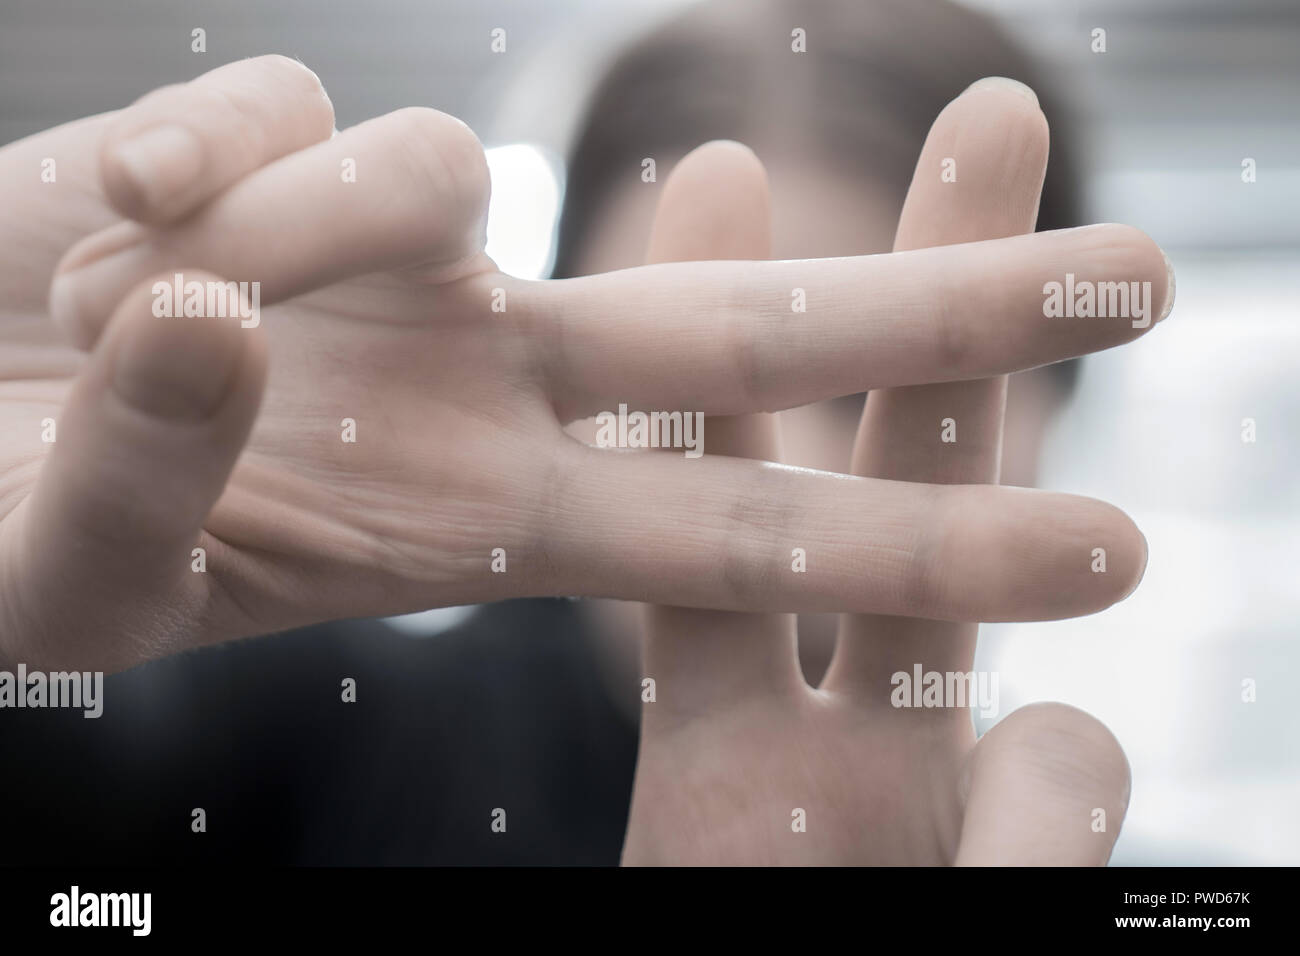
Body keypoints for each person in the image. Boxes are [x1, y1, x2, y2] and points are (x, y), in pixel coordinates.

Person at [0, 11, 1170, 863]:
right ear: (552, 383)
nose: (789, 472)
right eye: (682, 377)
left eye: (895, 387)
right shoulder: (282, 743)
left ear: (1058, 401)